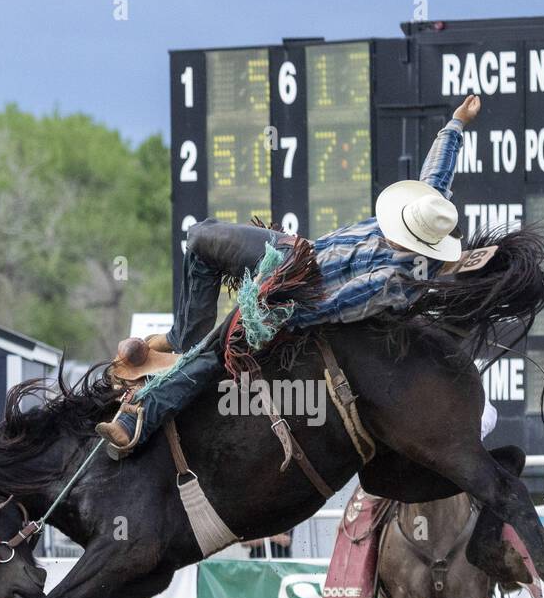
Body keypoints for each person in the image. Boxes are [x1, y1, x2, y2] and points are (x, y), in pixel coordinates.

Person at [97, 94, 491, 455]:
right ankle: (182, 335)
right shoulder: (422, 217)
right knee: (202, 236)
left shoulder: (391, 282)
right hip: (289, 253)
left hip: (288, 303)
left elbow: (328, 306)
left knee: (214, 354)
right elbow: (435, 178)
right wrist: (456, 123)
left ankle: (137, 420)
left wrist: (262, 313)